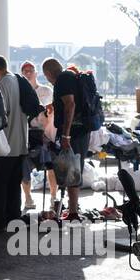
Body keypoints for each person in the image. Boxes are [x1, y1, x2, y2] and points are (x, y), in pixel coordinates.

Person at [0, 55, 34, 231]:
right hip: (20, 144)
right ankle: (13, 219)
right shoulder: (17, 80)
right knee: (14, 186)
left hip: (3, 147)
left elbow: (0, 113)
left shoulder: (2, 84)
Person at [41, 58, 93, 221]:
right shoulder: (70, 76)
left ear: (48, 73)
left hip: (74, 133)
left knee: (72, 169)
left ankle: (73, 213)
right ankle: (72, 210)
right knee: (73, 168)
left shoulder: (63, 79)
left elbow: (70, 105)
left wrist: (66, 135)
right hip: (80, 130)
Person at [20, 61, 54, 213]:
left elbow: (51, 112)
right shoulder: (19, 92)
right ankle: (28, 197)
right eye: (25, 70)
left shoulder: (46, 91)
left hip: (45, 134)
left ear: (36, 73)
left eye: (30, 70)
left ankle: (53, 197)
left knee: (51, 166)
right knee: (24, 166)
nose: (28, 73)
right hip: (27, 133)